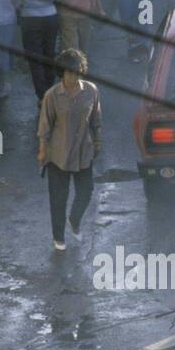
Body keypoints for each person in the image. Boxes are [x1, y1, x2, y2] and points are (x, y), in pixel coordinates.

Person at [37, 48, 101, 252]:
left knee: (86, 190)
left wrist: (98, 141)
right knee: (58, 198)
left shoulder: (91, 91)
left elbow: (96, 120)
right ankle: (59, 237)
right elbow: (45, 126)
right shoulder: (52, 95)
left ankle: (74, 219)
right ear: (61, 73)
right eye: (67, 73)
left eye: (75, 73)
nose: (71, 77)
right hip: (58, 154)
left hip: (83, 151)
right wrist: (42, 150)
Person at [16, 0, 66, 102]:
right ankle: (50, 90)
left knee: (34, 59)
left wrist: (23, 5)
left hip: (29, 19)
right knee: (49, 54)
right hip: (50, 17)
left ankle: (42, 95)